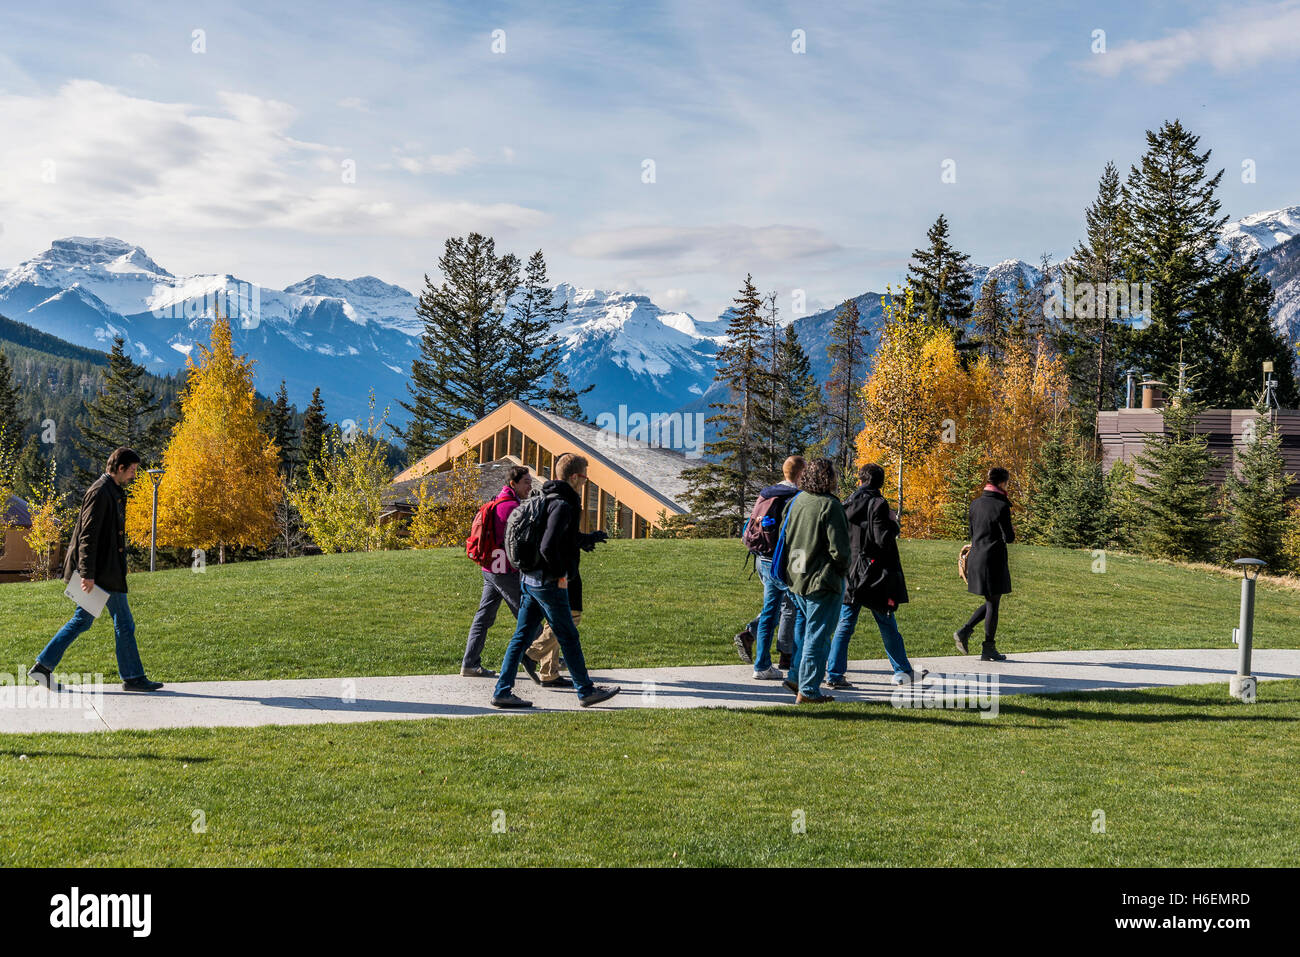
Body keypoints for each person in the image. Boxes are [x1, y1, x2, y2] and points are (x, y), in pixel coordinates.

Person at [28, 447, 163, 693]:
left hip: (106, 573)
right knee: (85, 621)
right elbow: (87, 537)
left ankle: (133, 677)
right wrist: (86, 574)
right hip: (96, 574)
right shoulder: (100, 492)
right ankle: (43, 667)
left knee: (121, 622)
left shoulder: (111, 490)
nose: (134, 475)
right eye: (132, 470)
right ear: (120, 468)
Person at [491, 453, 618, 708]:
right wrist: (561, 575)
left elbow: (560, 538)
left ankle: (502, 691)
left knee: (522, 636)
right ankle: (586, 691)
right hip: (548, 583)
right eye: (584, 477)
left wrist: (587, 539)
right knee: (568, 635)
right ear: (574, 477)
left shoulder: (546, 497)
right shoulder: (564, 504)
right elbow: (549, 546)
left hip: (529, 579)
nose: (585, 482)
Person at [826, 463, 925, 687]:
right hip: (874, 573)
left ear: (860, 480)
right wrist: (893, 521)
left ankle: (834, 673)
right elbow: (883, 540)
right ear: (880, 482)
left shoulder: (846, 503)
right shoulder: (878, 504)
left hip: (850, 570)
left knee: (845, 624)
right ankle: (902, 671)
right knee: (886, 622)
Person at [460, 466, 561, 683]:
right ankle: (541, 657)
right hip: (506, 572)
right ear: (513, 483)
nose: (529, 486)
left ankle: (470, 663)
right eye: (526, 481)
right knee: (530, 617)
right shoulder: (511, 508)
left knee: (484, 617)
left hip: (490, 570)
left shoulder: (496, 503)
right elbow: (522, 541)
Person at [779, 457, 850, 704]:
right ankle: (808, 691)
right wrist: (841, 571)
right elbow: (840, 551)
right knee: (819, 637)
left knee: (810, 632)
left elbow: (784, 536)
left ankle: (798, 677)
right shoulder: (830, 506)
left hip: (796, 577)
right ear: (829, 478)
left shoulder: (797, 501)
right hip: (822, 580)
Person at [733, 455, 805, 671]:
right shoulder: (795, 497)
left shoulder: (767, 493)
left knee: (770, 609)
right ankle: (787, 657)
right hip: (783, 559)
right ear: (801, 474)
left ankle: (762, 665)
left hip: (762, 557)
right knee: (792, 607)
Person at [955, 466, 1015, 662]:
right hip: (993, 559)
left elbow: (974, 533)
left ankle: (966, 632)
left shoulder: (975, 504)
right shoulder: (1002, 506)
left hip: (976, 557)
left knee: (992, 601)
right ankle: (986, 646)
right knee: (993, 603)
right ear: (1001, 483)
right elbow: (1010, 537)